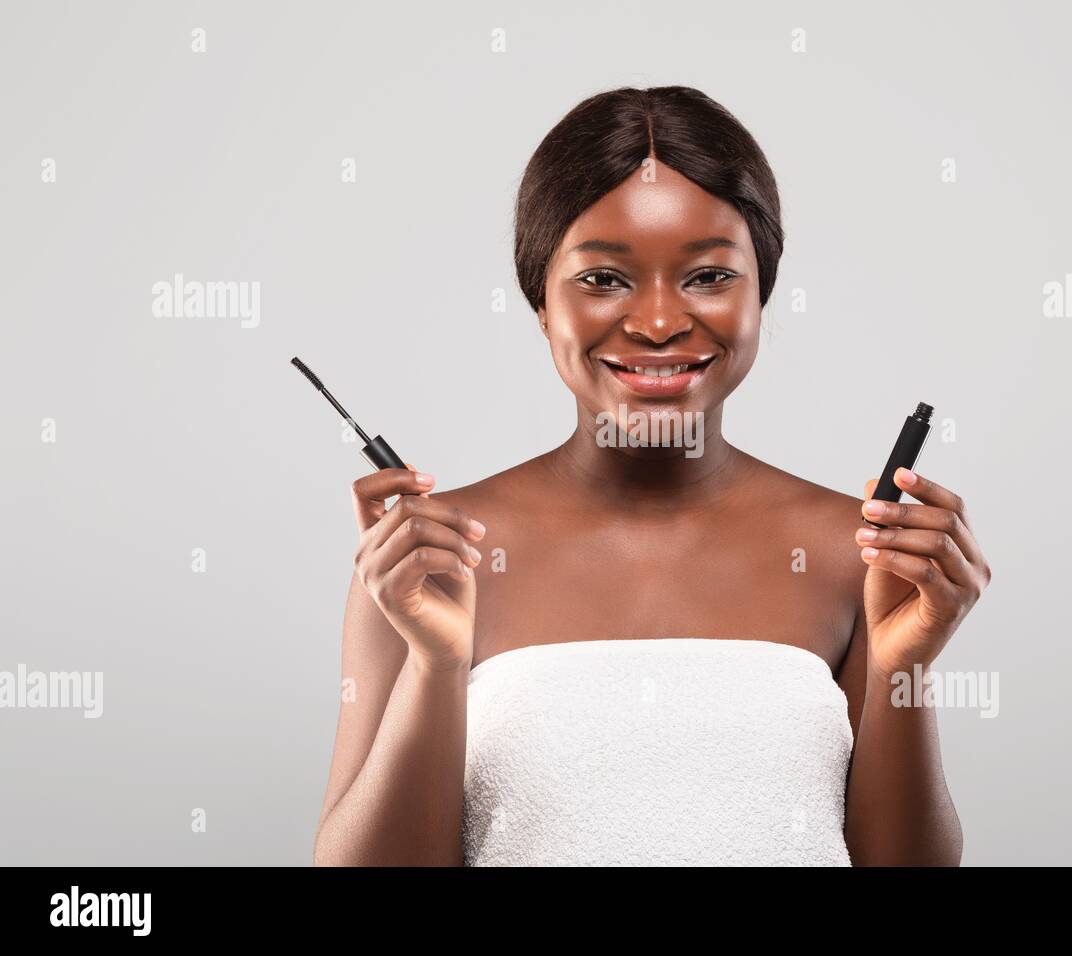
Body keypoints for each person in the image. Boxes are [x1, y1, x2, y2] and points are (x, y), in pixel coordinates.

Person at [313, 86, 992, 866]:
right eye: (603, 279)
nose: (661, 321)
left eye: (708, 276)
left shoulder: (859, 549)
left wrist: (905, 666)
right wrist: (433, 662)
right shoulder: (424, 560)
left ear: (763, 293)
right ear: (541, 301)